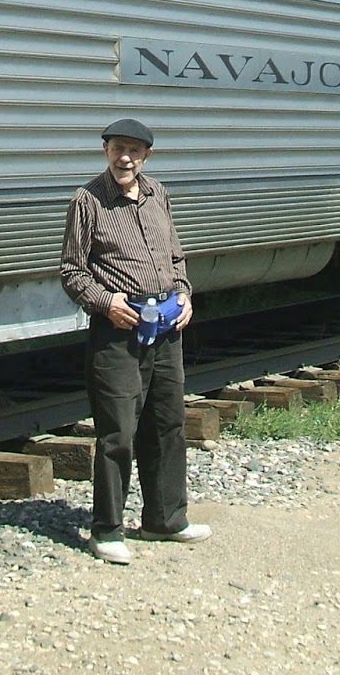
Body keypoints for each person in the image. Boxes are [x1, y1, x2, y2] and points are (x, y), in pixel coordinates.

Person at [59, 117, 211, 564]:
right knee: (118, 433)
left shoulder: (157, 194)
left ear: (147, 156)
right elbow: (71, 270)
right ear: (106, 151)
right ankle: (106, 531)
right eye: (116, 148)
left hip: (166, 327)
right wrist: (106, 303)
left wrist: (183, 293)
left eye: (133, 150)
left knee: (167, 424)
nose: (124, 157)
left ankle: (165, 519)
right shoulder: (87, 201)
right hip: (118, 332)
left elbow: (175, 254)